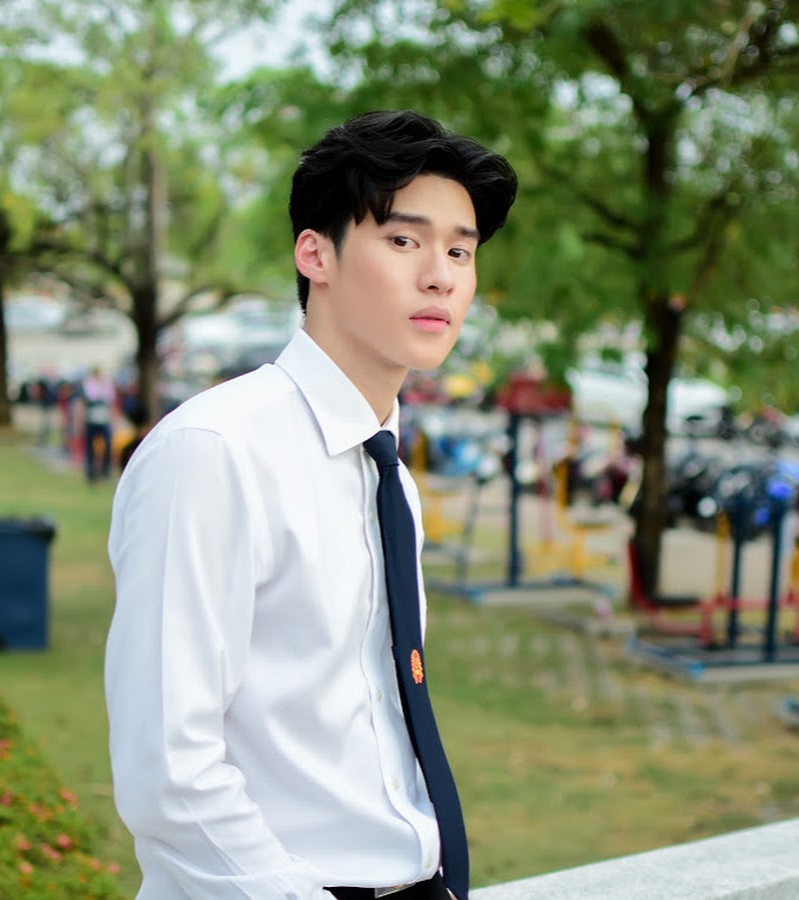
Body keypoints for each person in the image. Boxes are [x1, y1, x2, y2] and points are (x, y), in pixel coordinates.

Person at [105, 109, 517, 900]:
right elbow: (169, 773)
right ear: (315, 254)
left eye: (460, 251)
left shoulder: (386, 468)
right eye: (404, 241)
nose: (440, 276)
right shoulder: (215, 453)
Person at [80, 365, 116, 482]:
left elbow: (110, 399)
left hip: (104, 419)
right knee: (90, 446)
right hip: (92, 418)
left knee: (107, 445)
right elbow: (89, 398)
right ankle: (91, 471)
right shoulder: (88, 384)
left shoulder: (106, 384)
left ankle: (105, 470)